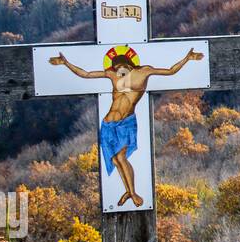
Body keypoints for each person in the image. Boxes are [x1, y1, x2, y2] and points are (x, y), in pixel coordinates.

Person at [48, 44, 204, 207]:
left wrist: (187, 59)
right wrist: (66, 63)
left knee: (121, 157)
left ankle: (133, 193)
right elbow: (86, 74)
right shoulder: (113, 75)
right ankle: (129, 192)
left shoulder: (144, 71)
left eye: (122, 67)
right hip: (109, 124)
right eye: (116, 68)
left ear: (130, 64)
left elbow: (171, 71)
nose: (119, 70)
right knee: (115, 159)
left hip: (126, 123)